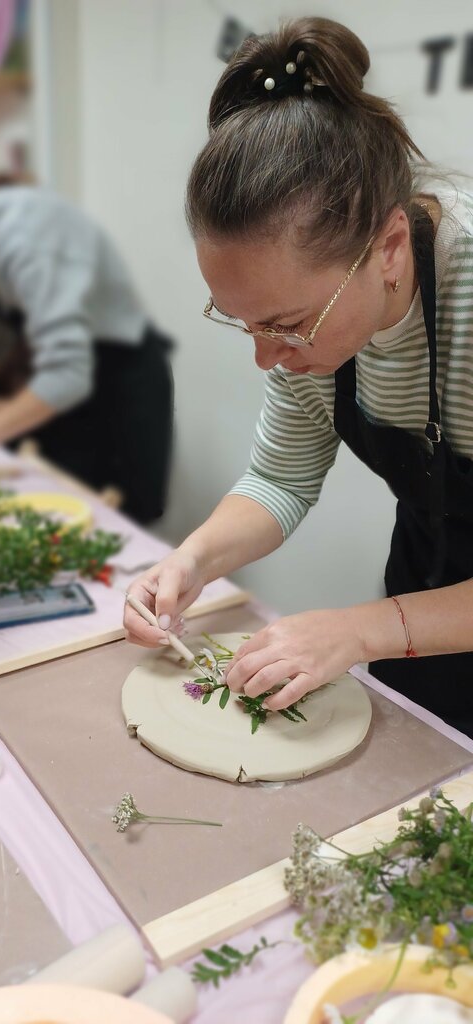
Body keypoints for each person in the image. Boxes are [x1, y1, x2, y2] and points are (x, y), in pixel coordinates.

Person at [124, 16, 473, 736]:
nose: (266, 356)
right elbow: (280, 480)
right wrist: (192, 561)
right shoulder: (313, 327)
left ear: (390, 248)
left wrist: (361, 630)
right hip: (429, 587)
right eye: (243, 322)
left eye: (285, 324)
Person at [0, 135, 174, 524]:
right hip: (71, 381)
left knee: (119, 521)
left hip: (120, 379)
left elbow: (68, 372)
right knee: (61, 507)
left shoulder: (24, 230)